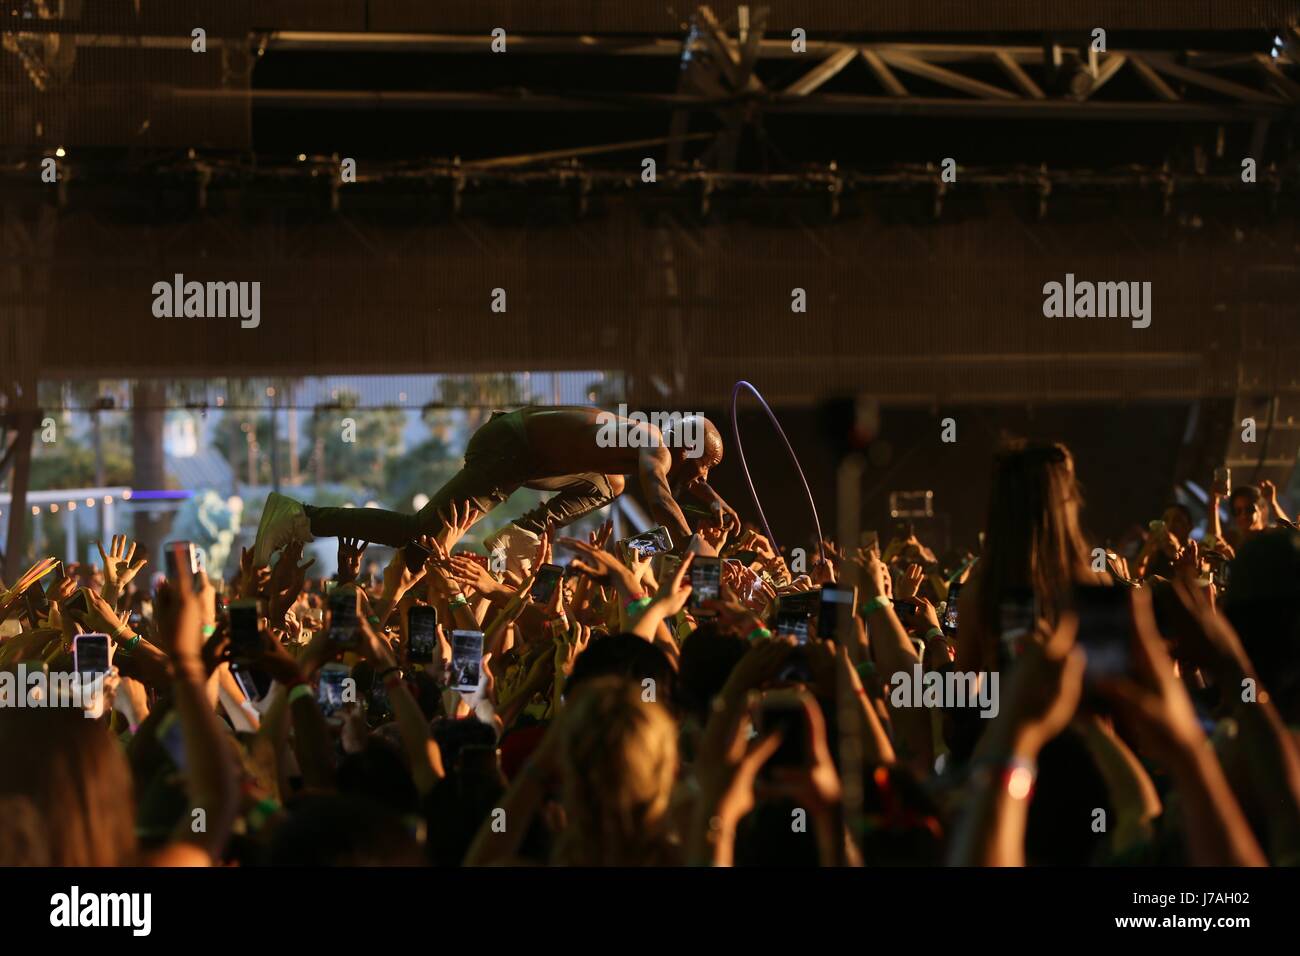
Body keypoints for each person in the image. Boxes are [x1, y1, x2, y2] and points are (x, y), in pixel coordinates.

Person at [253, 405, 739, 570]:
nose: (705, 476)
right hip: (512, 447)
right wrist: (698, 552)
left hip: (521, 448)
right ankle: (303, 515)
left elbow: (671, 488)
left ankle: (521, 534)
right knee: (422, 531)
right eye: (707, 466)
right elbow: (660, 495)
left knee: (609, 485)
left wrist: (709, 500)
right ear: (688, 445)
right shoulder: (654, 442)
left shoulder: (635, 446)